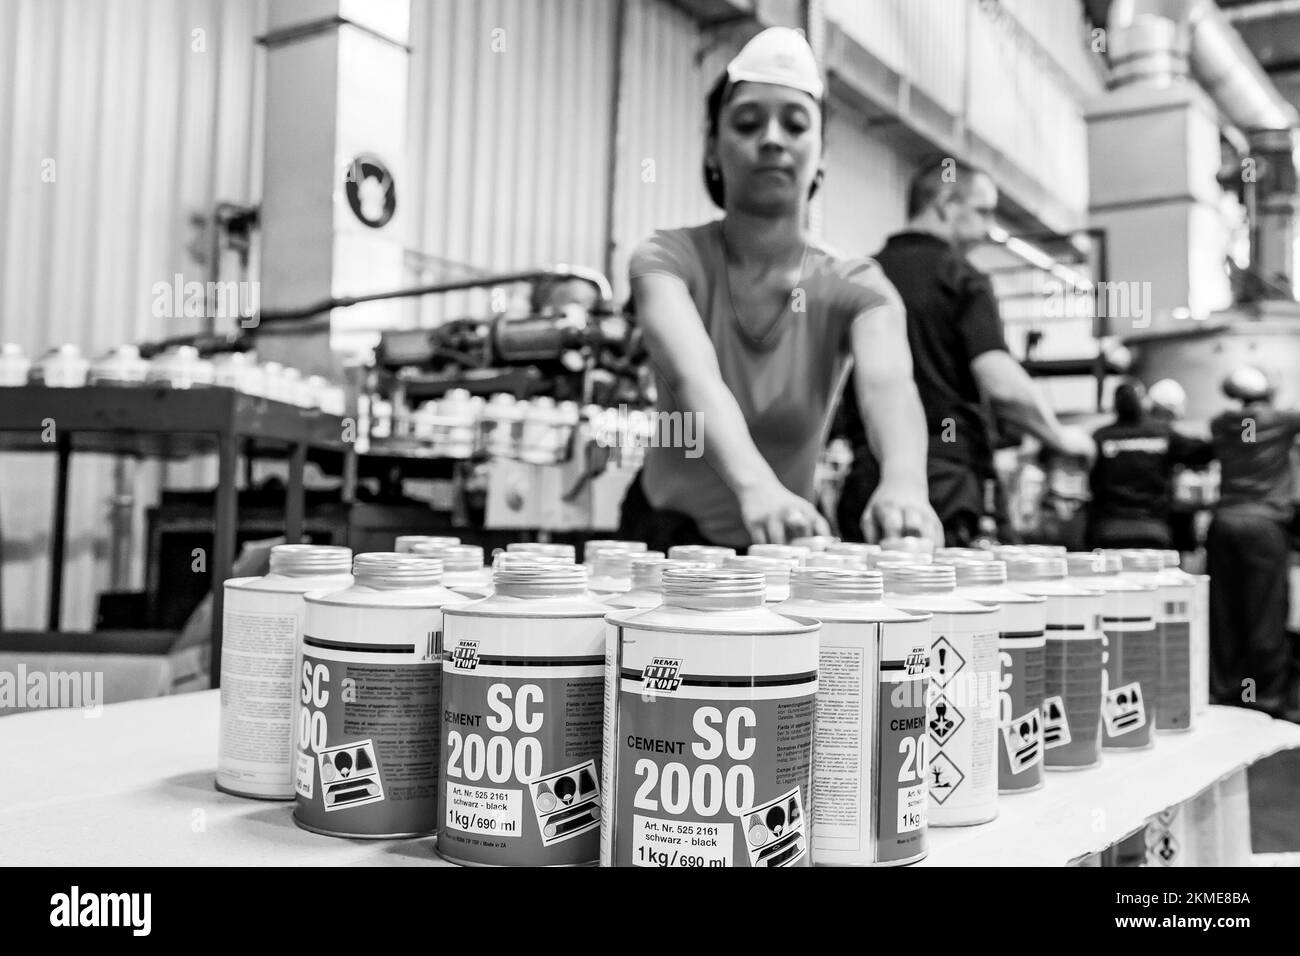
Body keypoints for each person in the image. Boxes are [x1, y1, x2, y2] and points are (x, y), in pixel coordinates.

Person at [616, 28, 941, 553]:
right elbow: (693, 376)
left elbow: (890, 388)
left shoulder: (856, 286)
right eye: (747, 123)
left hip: (785, 540)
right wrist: (757, 486)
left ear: (821, 154)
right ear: (712, 148)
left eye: (795, 124)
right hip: (665, 535)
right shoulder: (666, 260)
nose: (772, 139)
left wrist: (904, 482)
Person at [835, 157, 1095, 546]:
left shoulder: (862, 276)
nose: (990, 229)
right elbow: (999, 381)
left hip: (869, 486)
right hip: (943, 487)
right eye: (983, 212)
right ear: (945, 205)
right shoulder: (961, 277)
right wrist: (1061, 437)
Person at [1207, 367, 1300, 721]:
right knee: (1264, 613)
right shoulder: (1281, 419)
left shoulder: (1220, 423)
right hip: (1263, 525)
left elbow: (1247, 430)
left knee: (1227, 614)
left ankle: (1231, 692)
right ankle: (1262, 697)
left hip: (1225, 522)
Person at [1086, 378, 1213, 550]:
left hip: (1107, 529)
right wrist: (1247, 425)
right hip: (1153, 529)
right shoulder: (1164, 435)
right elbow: (1210, 450)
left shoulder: (1100, 437)